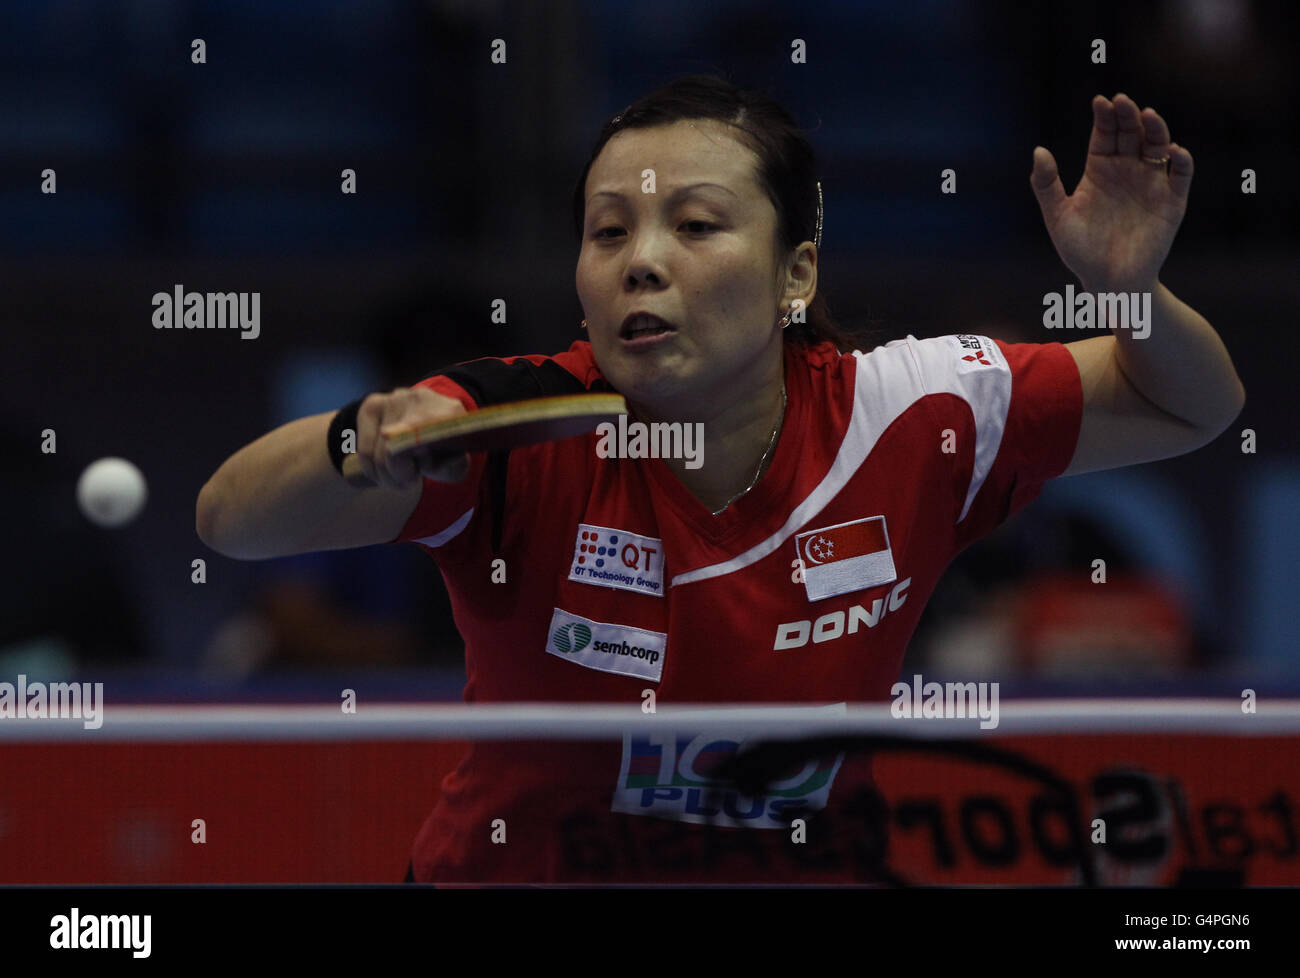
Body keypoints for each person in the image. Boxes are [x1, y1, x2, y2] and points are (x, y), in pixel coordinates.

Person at [196, 75, 1244, 884]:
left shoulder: (916, 410)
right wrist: (360, 438)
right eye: (608, 232)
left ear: (797, 272)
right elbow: (231, 520)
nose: (640, 262)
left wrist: (1134, 294)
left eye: (694, 226)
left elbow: (1190, 404)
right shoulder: (512, 424)